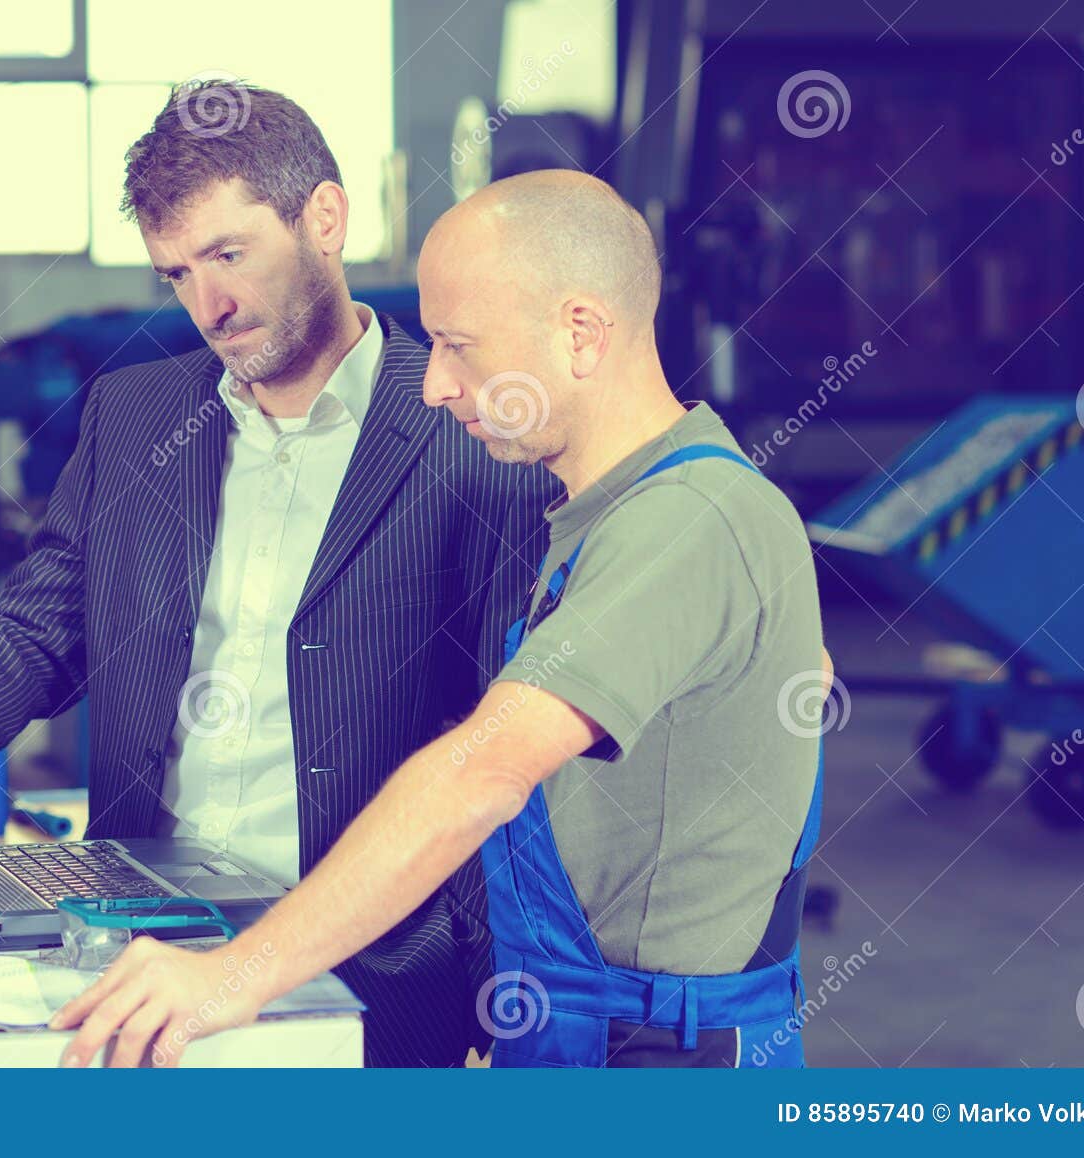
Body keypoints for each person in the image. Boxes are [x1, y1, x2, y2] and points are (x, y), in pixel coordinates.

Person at [0, 83, 556, 1067]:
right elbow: (39, 627)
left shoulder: (467, 431)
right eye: (176, 274)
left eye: (229, 255)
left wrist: (488, 994)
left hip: (370, 964)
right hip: (142, 943)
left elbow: (505, 744)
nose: (209, 306)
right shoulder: (136, 415)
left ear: (325, 217)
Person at [50, 170, 830, 1069]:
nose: (436, 385)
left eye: (460, 346)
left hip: (657, 1054)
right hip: (564, 1028)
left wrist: (233, 975)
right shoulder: (600, 517)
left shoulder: (689, 519)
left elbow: (483, 773)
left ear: (580, 333)